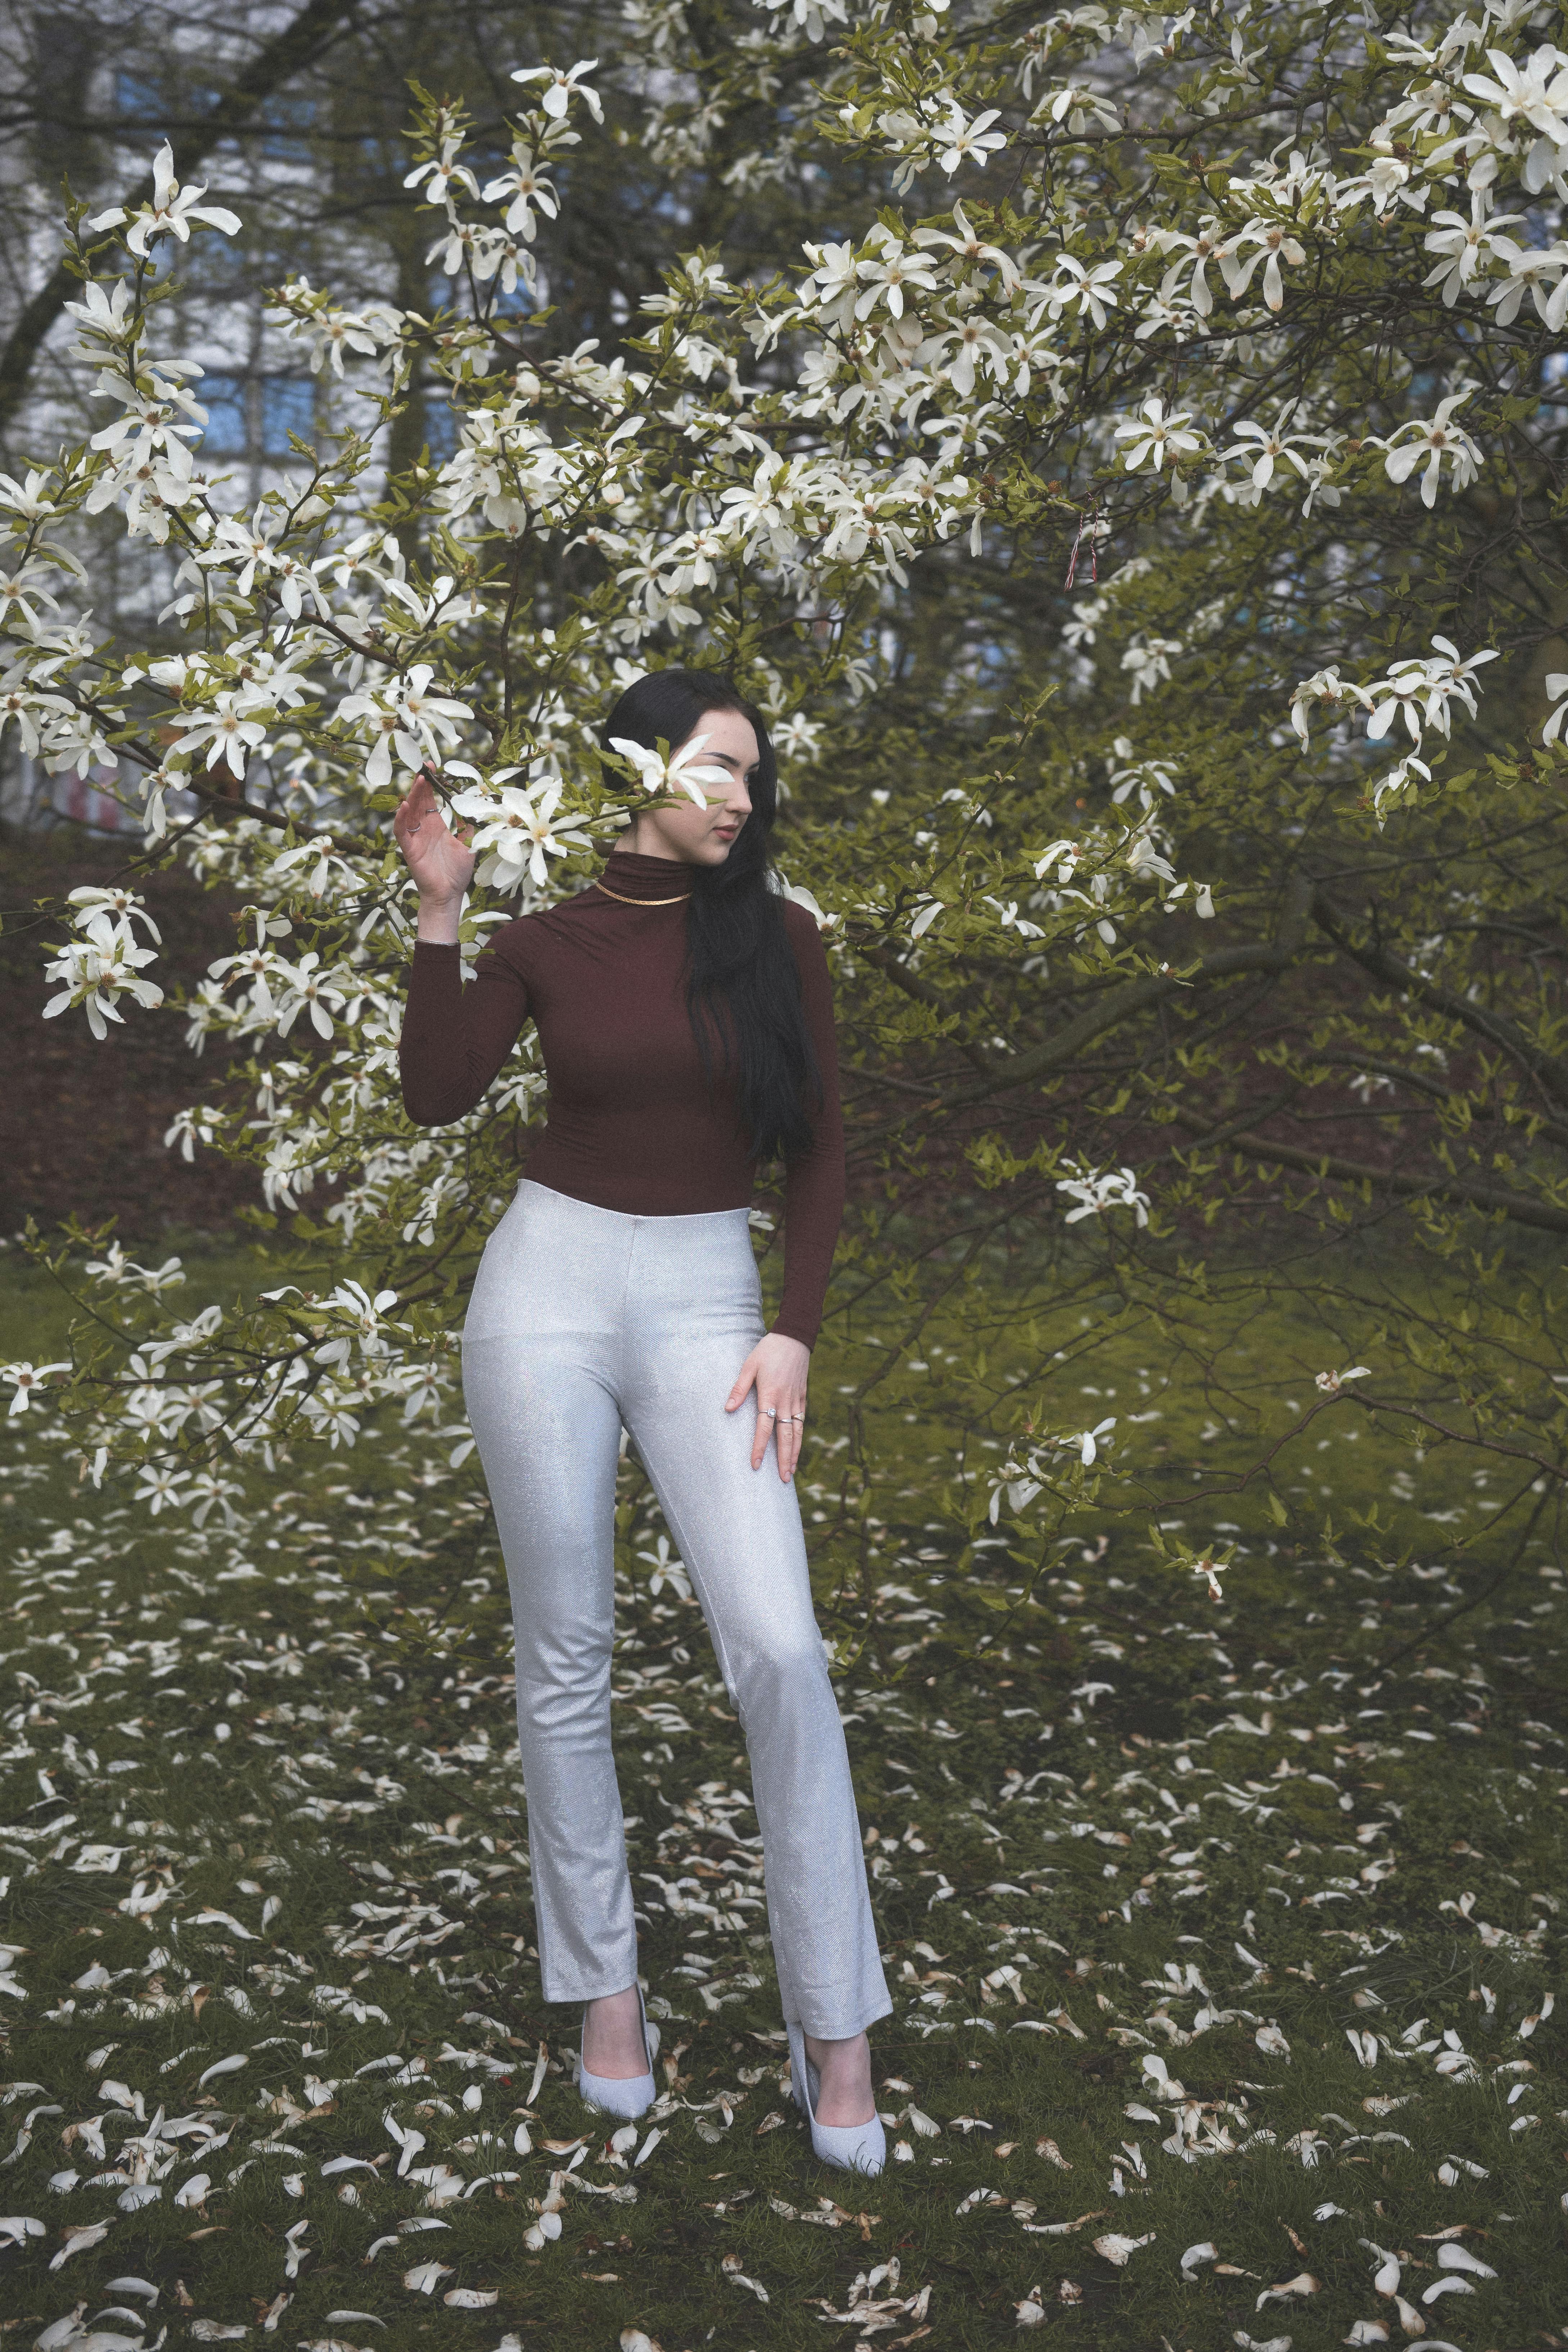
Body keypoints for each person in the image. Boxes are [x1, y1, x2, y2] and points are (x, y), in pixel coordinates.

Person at [394, 668, 889, 2174]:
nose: (738, 794)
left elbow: (816, 1149)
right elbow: (435, 1093)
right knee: (567, 1656)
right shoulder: (547, 939)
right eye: (710, 765)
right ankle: (605, 1991)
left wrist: (792, 1324)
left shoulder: (779, 942)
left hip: (705, 1294)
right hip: (543, 1283)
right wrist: (439, 914)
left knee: (782, 1643)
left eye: (752, 772)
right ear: (636, 766)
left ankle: (838, 2025)